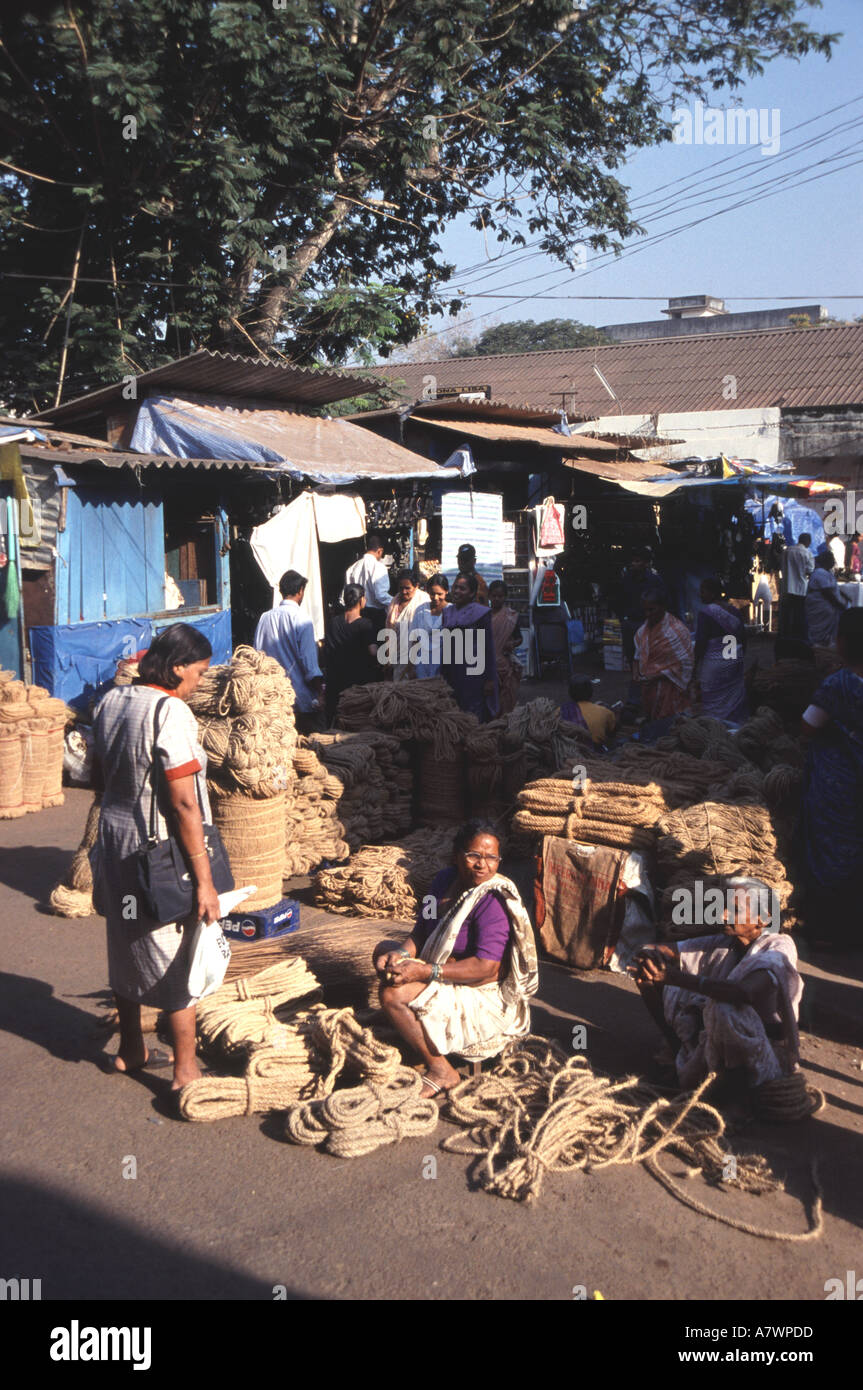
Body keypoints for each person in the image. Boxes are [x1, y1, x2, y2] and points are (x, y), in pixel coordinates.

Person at [90, 624, 218, 1092]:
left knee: (127, 941)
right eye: (199, 673)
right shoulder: (171, 712)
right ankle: (186, 1069)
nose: (200, 682)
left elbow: (100, 778)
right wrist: (203, 880)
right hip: (159, 851)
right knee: (178, 951)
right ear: (178, 667)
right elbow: (185, 803)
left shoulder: (110, 702)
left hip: (117, 842)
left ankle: (131, 1049)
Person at [372, 820, 538, 1097]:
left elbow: (486, 968)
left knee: (392, 994)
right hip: (443, 971)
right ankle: (416, 1028)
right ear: (456, 855)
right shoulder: (443, 881)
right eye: (473, 855)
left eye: (491, 858)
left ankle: (441, 1069)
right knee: (383, 951)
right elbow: (422, 931)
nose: (481, 865)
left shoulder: (492, 901)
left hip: (480, 992)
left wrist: (424, 973)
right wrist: (400, 954)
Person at [631, 877, 803, 1095]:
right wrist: (648, 954)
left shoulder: (778, 947)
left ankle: (736, 1090)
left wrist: (674, 977)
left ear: (763, 919)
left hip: (764, 1051)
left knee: (724, 1007)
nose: (722, 915)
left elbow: (744, 993)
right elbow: (671, 949)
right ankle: (678, 1055)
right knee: (647, 973)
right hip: (720, 1041)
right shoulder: (726, 942)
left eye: (734, 909)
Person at [797, 608, 863, 947]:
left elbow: (808, 725)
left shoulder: (838, 684)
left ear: (843, 643)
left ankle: (829, 934)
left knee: (830, 855)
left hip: (838, 786)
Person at [254, 569, 324, 733]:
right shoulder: (302, 620)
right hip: (301, 701)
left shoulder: (265, 618)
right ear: (300, 591)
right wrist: (321, 691)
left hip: (272, 699)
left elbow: (257, 656)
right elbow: (310, 665)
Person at [441, 572, 498, 721]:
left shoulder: (481, 613)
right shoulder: (447, 612)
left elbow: (488, 647)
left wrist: (490, 679)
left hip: (473, 674)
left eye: (462, 588)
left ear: (472, 593)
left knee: (473, 714)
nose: (457, 591)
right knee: (453, 712)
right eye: (455, 587)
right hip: (452, 672)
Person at [633, 587, 694, 721]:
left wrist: (657, 675)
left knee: (671, 725)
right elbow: (637, 656)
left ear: (663, 607)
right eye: (645, 610)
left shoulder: (677, 631)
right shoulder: (642, 631)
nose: (648, 614)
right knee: (653, 723)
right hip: (649, 689)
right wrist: (636, 673)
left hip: (671, 689)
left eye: (652, 610)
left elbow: (686, 663)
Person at [693, 577, 748, 722]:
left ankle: (715, 728)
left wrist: (694, 668)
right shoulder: (735, 612)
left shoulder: (706, 613)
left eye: (703, 592)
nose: (700, 595)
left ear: (712, 594)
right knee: (733, 700)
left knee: (713, 704)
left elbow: (700, 643)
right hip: (734, 662)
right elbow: (743, 638)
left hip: (715, 666)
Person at [323, 583, 378, 724]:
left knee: (334, 720)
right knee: (354, 721)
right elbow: (373, 651)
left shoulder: (333, 622)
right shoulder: (365, 624)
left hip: (335, 681)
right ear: (361, 600)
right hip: (357, 684)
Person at [383, 566, 430, 682]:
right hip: (398, 655)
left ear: (416, 586)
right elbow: (389, 631)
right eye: (401, 588)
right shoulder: (394, 601)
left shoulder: (423, 600)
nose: (404, 591)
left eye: (407, 588)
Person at [619, 548, 662, 668]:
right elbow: (619, 599)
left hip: (648, 624)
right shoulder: (626, 579)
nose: (634, 564)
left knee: (649, 657)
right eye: (633, 561)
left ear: (646, 563)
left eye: (637, 561)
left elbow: (662, 602)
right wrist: (623, 619)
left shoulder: (655, 580)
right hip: (630, 623)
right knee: (632, 657)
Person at [343, 533, 391, 634]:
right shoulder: (379, 567)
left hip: (357, 613)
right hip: (375, 616)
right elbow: (381, 595)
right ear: (380, 551)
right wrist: (395, 601)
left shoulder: (352, 568)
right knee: (376, 646)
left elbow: (347, 593)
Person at [488, 580, 523, 714]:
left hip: (505, 665)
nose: (497, 599)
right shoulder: (484, 616)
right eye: (494, 596)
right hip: (488, 664)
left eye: (500, 596)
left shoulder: (511, 617)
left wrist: (512, 644)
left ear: (505, 597)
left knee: (506, 700)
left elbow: (520, 638)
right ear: (489, 596)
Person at [805, 551, 849, 648]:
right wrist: (839, 604)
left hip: (827, 606)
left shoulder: (826, 573)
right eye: (832, 560)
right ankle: (820, 651)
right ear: (826, 561)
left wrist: (844, 596)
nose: (833, 562)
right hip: (821, 607)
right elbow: (827, 592)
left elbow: (832, 587)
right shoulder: (820, 573)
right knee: (820, 635)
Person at [411, 574, 450, 680]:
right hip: (422, 661)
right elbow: (414, 639)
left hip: (444, 661)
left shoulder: (452, 610)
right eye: (432, 594)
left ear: (446, 591)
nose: (436, 598)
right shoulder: (420, 610)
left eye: (439, 594)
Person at [560, 676, 616, 745]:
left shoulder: (560, 711)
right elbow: (612, 731)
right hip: (594, 752)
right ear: (591, 692)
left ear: (570, 693)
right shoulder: (604, 711)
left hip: (566, 750)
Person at [779, 532, 814, 640]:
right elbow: (810, 570)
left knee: (786, 614)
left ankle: (784, 636)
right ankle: (798, 636)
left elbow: (781, 566)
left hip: (787, 587)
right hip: (800, 589)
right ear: (807, 542)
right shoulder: (807, 553)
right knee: (799, 615)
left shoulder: (787, 551)